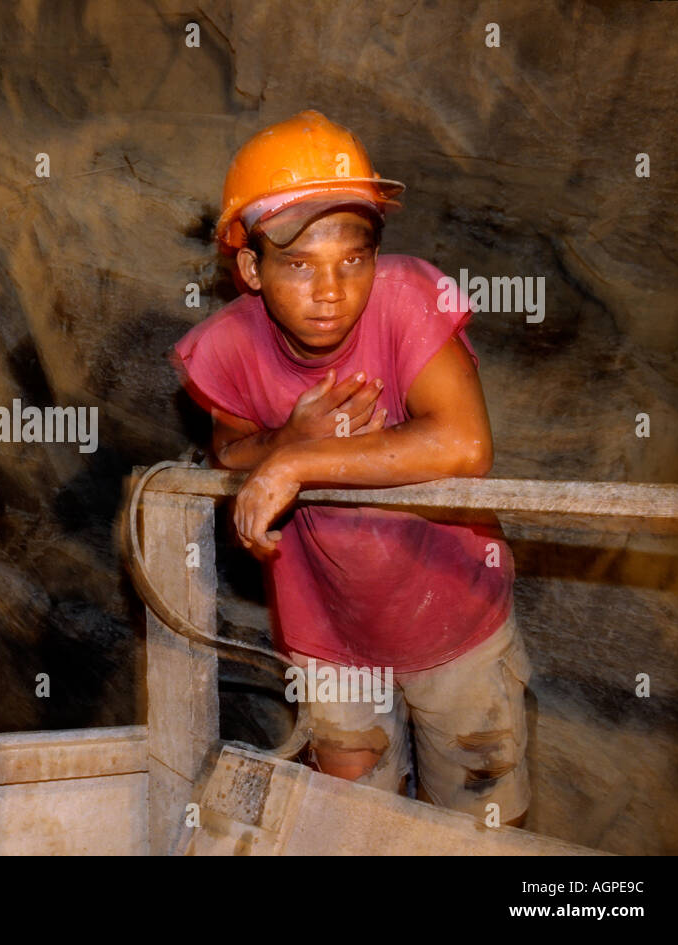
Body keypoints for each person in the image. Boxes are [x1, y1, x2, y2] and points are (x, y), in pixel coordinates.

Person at [172, 110, 532, 827]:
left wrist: (301, 458)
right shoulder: (227, 347)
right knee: (352, 823)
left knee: (480, 818)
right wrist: (284, 438)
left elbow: (464, 444)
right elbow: (233, 451)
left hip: (451, 616)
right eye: (299, 264)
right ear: (251, 267)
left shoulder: (404, 300)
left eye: (352, 259)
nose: (331, 291)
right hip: (328, 630)